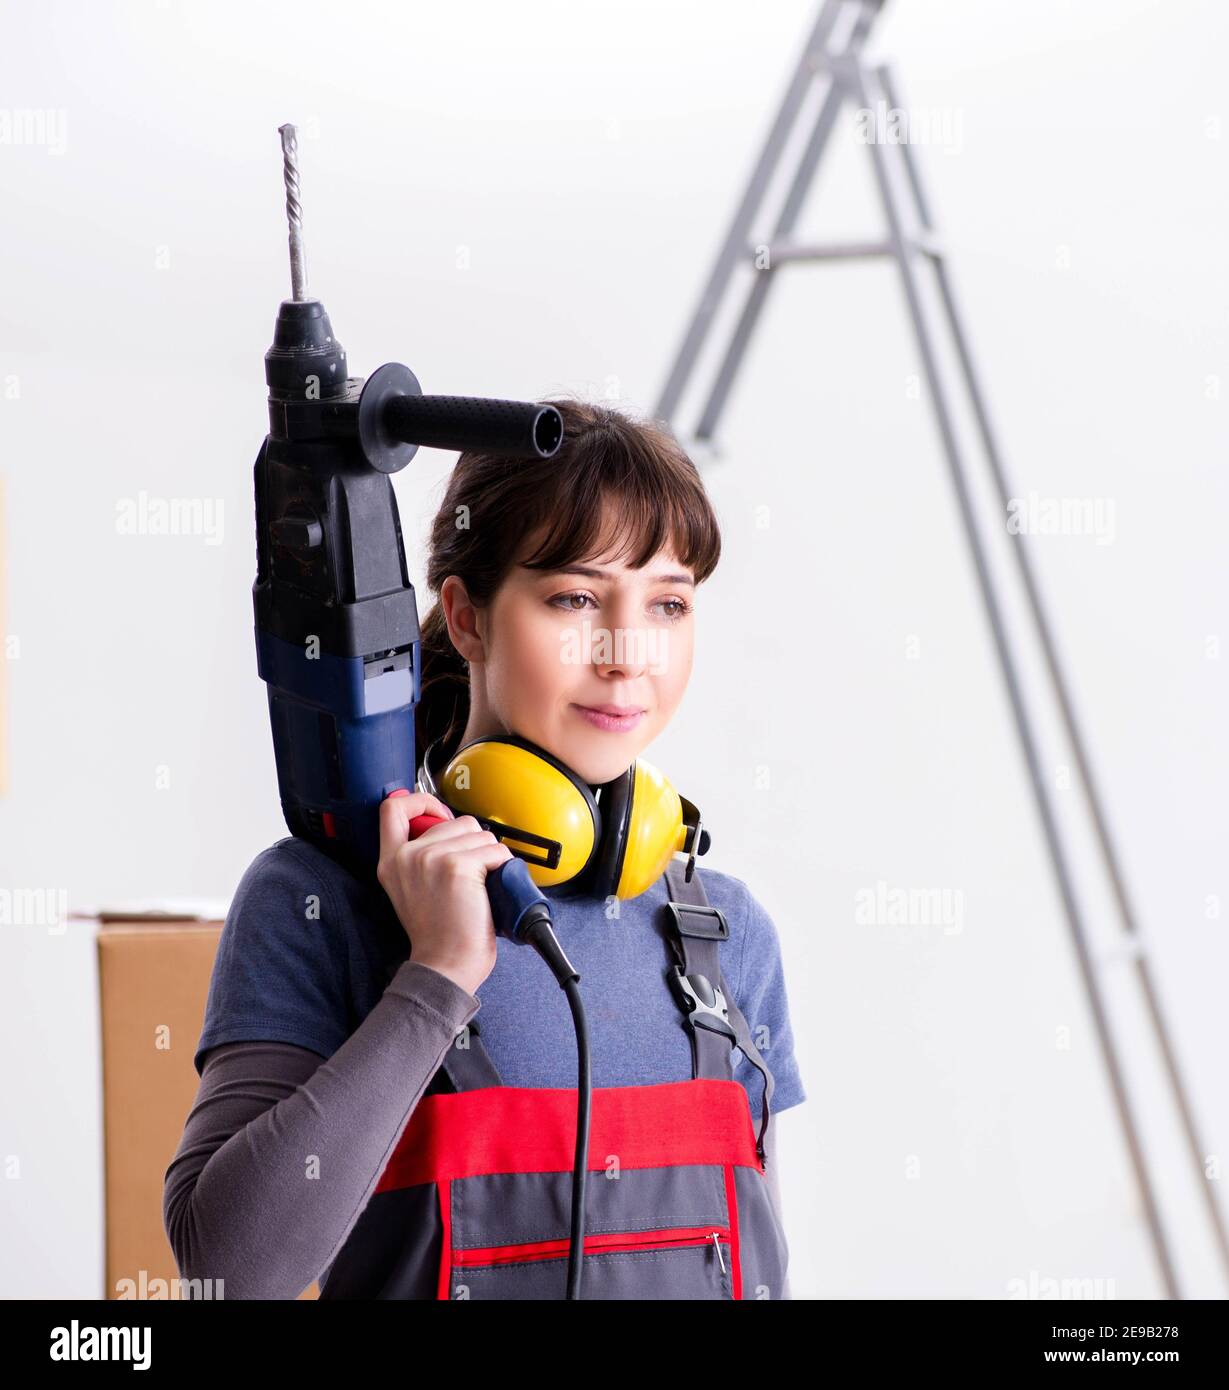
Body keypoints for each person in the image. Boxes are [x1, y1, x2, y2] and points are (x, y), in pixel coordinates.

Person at [163, 396, 807, 1299]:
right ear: (465, 619)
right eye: (576, 597)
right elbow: (229, 1270)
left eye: (667, 603)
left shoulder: (724, 932)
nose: (628, 655)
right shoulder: (325, 897)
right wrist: (434, 979)